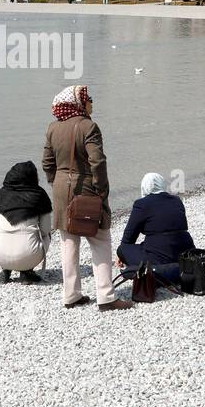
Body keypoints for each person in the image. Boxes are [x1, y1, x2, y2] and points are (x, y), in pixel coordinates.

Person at [42, 85, 132, 312]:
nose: (92, 102)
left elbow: (47, 163)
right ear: (79, 103)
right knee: (100, 239)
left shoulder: (53, 128)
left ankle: (71, 295)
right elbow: (97, 161)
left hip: (61, 189)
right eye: (89, 99)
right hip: (86, 187)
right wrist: (101, 189)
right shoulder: (89, 126)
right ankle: (106, 296)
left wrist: (57, 181)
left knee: (68, 242)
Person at [116, 173, 195, 286]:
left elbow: (130, 234)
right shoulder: (176, 200)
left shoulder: (142, 204)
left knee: (122, 249)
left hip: (160, 256)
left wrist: (121, 254)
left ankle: (157, 271)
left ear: (144, 187)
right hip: (184, 251)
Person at [0, 161, 53, 283]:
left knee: (1, 231)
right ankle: (26, 271)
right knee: (47, 235)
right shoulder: (39, 194)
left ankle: (6, 268)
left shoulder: (2, 193)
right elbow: (45, 230)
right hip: (28, 255)